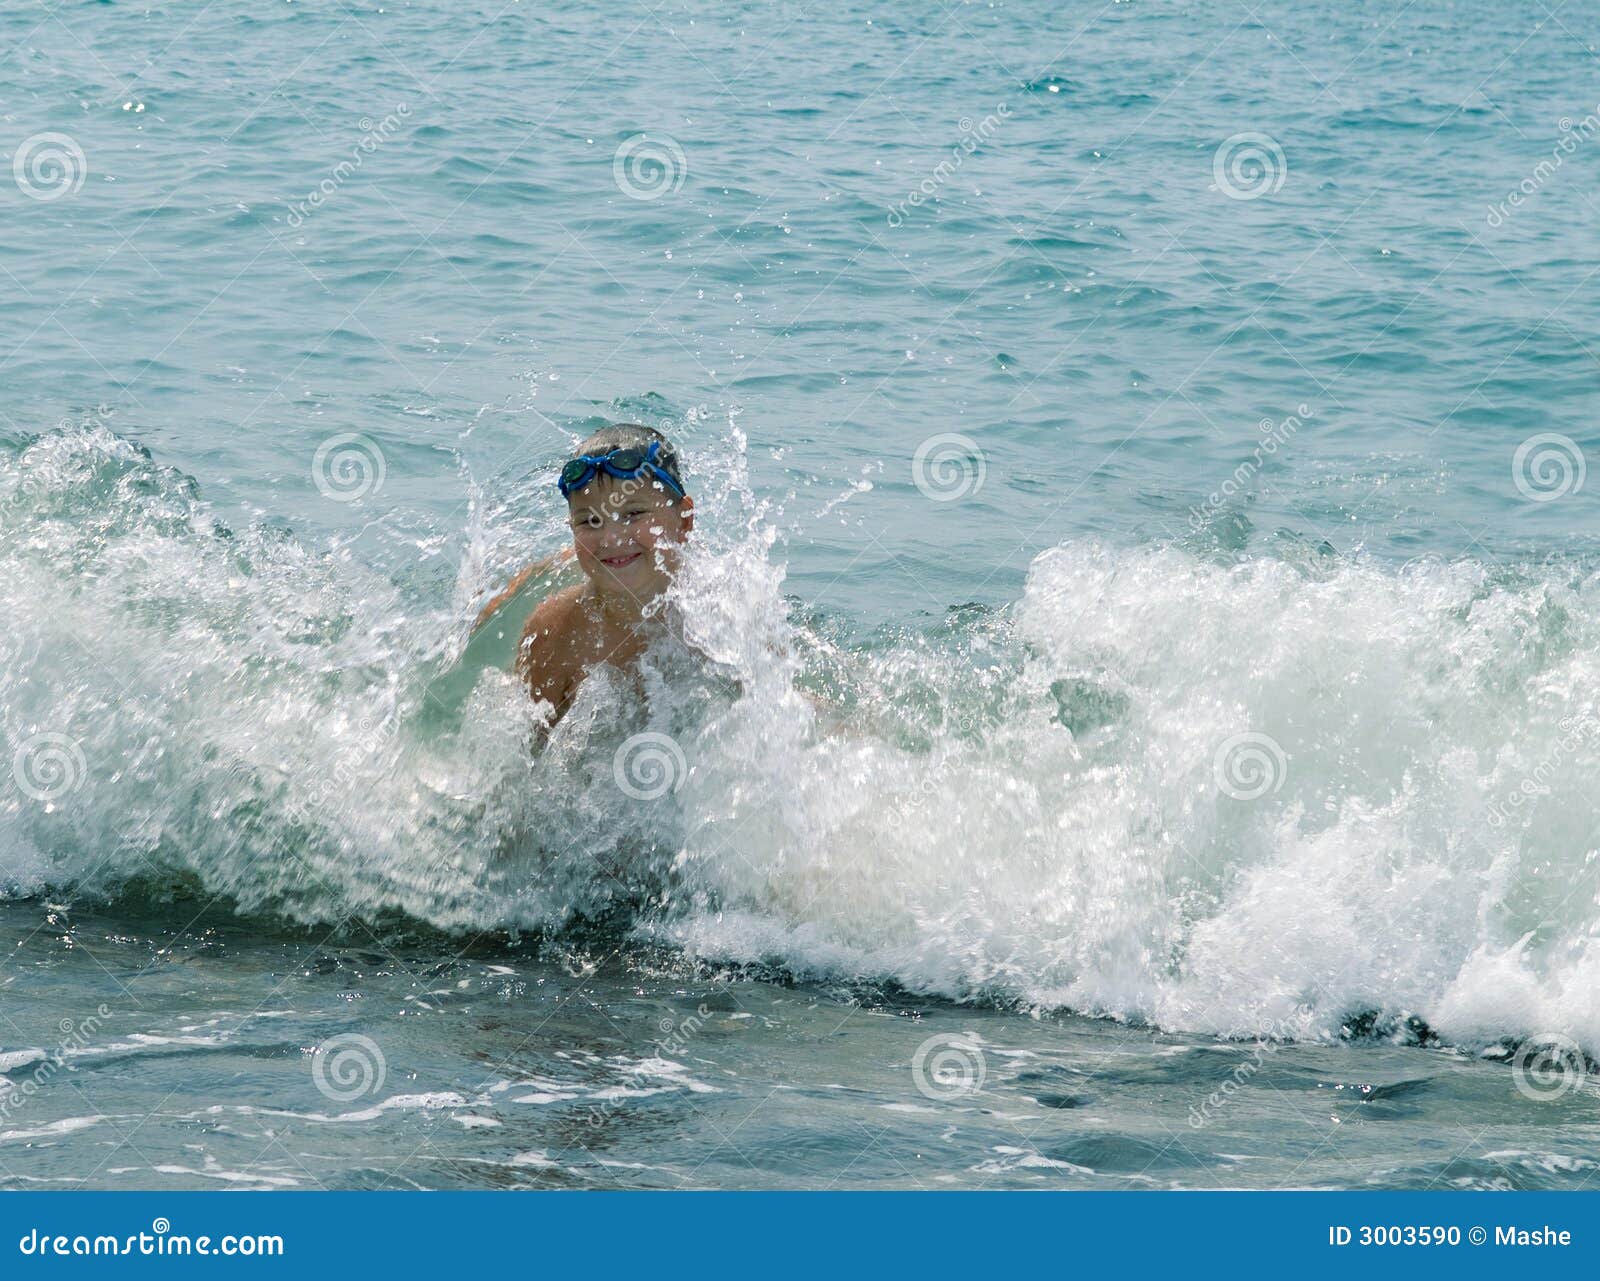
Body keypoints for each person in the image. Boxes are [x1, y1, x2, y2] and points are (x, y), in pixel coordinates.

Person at [508, 424, 695, 725]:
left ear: (685, 520)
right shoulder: (556, 634)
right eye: (590, 520)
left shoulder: (728, 614)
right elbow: (525, 755)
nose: (610, 538)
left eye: (633, 514)